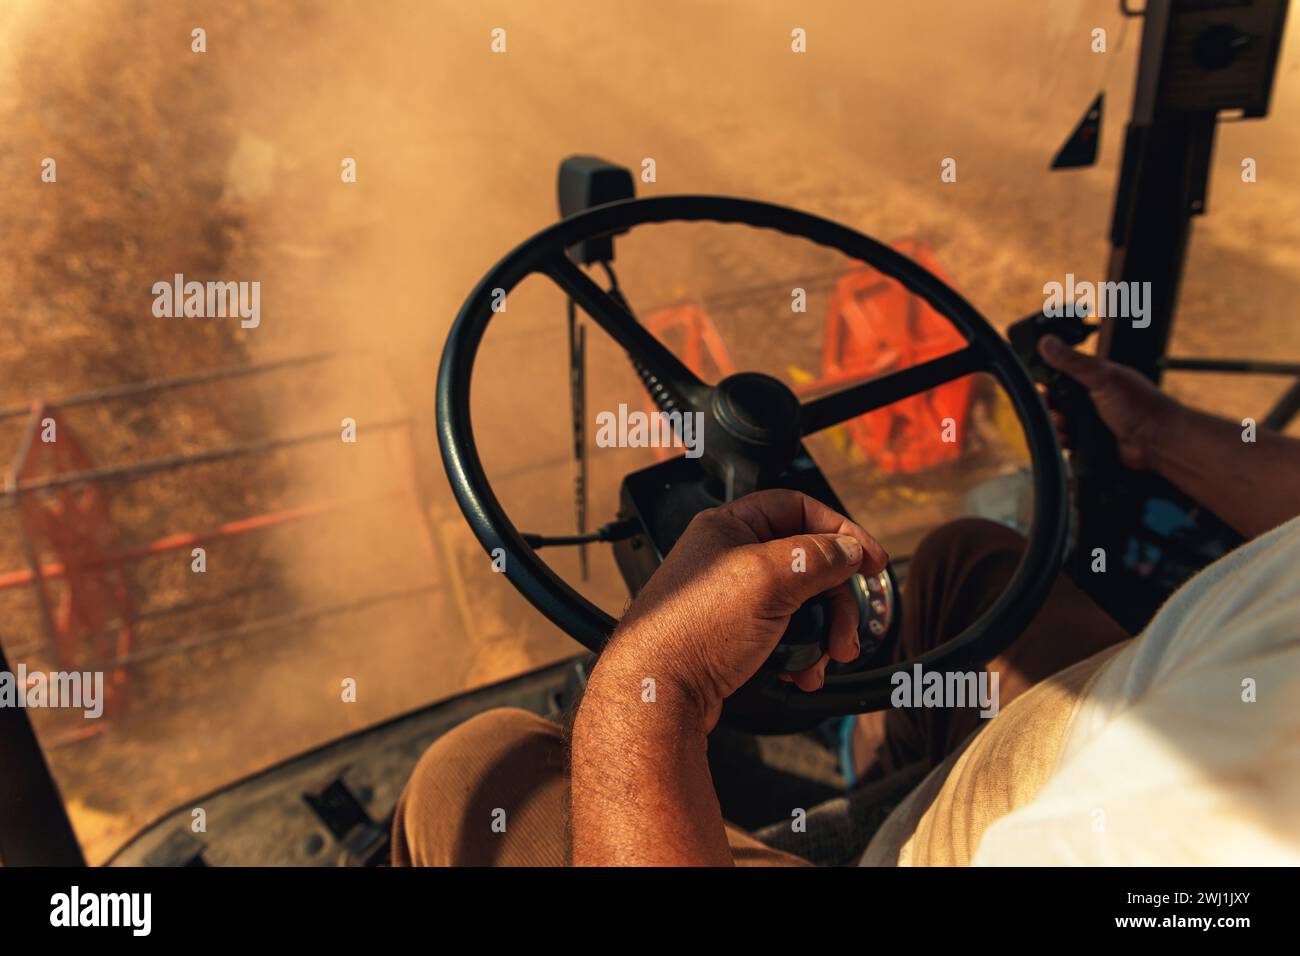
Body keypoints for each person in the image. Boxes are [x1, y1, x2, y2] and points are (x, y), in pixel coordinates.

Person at [391, 336, 1300, 866]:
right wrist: (1158, 434)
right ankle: (890, 774)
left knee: (476, 769)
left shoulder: (1211, 832)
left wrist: (654, 685)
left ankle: (869, 830)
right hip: (1138, 702)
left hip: (1060, 808)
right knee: (966, 564)